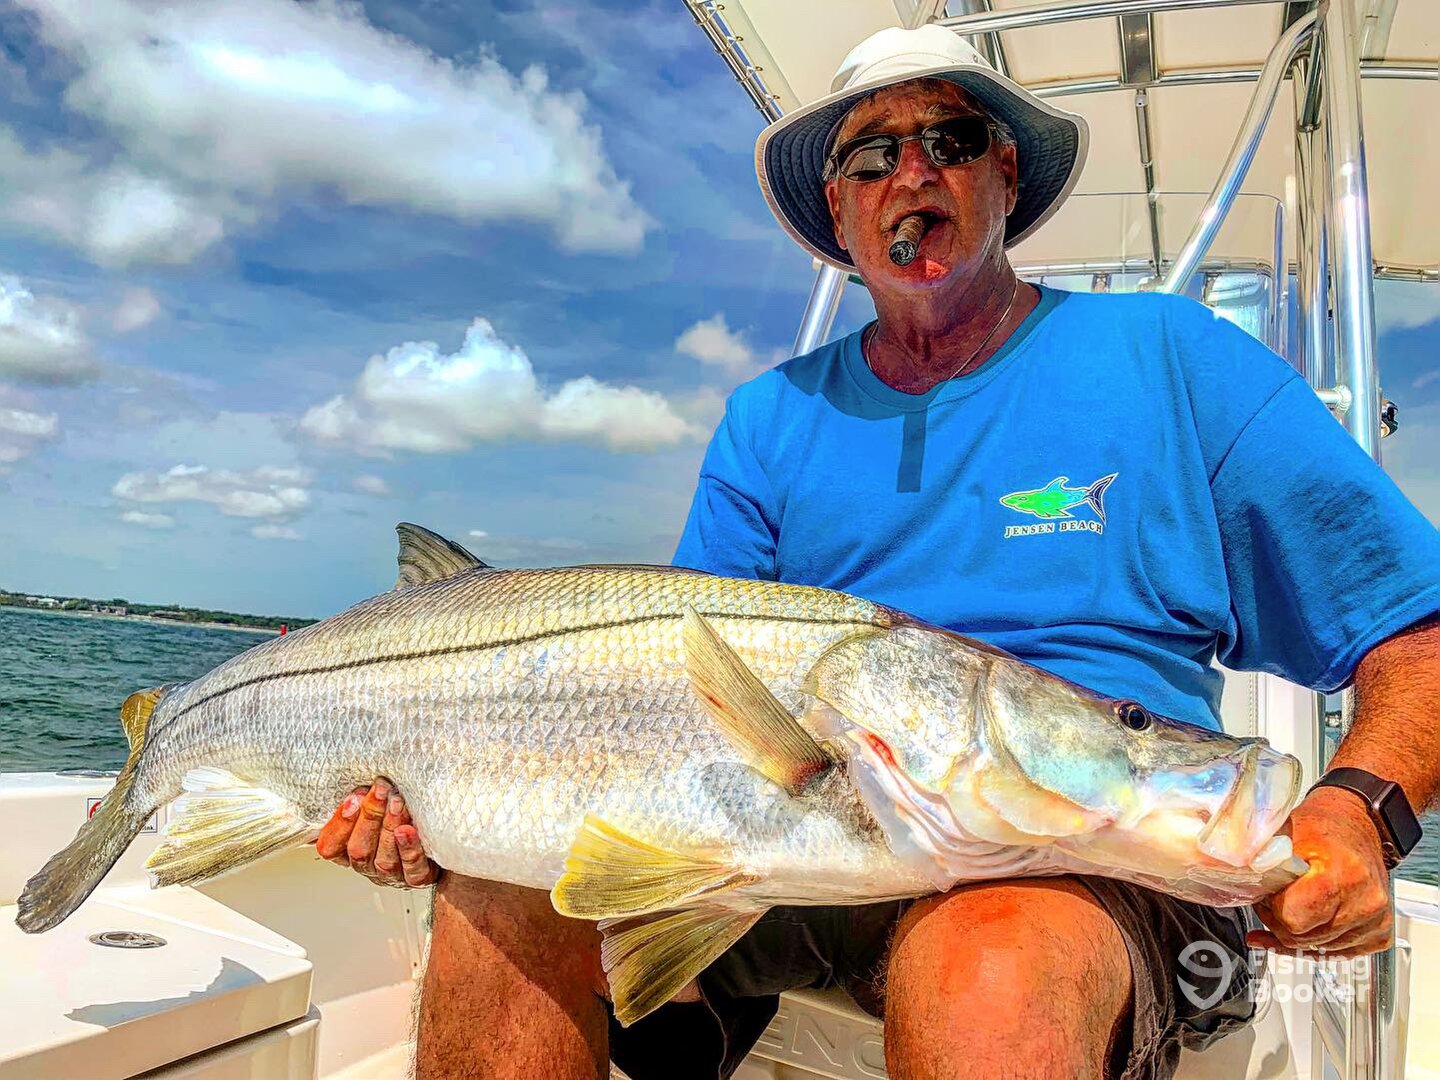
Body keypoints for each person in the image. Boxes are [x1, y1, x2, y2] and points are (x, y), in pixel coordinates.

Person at [316, 25, 1440, 1080]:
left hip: (1085, 863)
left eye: (951, 140)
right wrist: (443, 807)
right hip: (801, 845)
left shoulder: (1173, 359)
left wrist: (1358, 806)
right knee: (496, 894)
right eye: (872, 155)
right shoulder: (770, 419)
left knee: (986, 959)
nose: (912, 173)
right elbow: (692, 690)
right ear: (839, 210)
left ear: (1005, 173)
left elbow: (1416, 631)